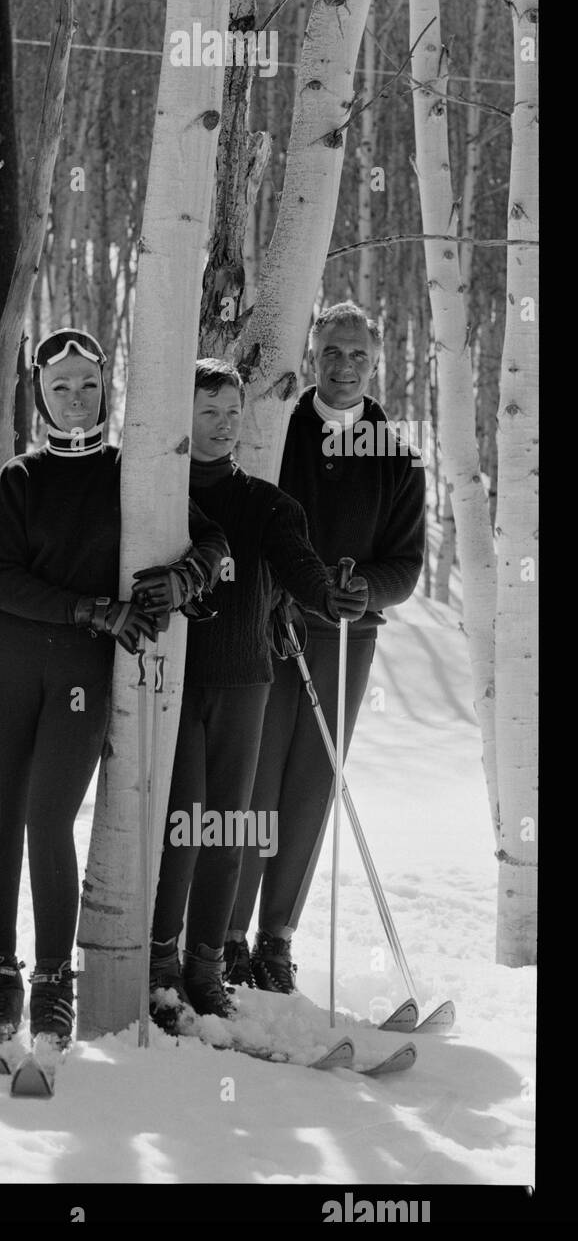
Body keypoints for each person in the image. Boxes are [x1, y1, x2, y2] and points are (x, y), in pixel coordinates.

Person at [0, 327, 229, 1048]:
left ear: (106, 387)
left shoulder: (131, 471)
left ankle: (52, 980)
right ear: (40, 397)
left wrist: (182, 580)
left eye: (87, 385)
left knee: (48, 821)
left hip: (81, 676)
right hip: (3, 665)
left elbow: (214, 543)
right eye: (59, 388)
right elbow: (3, 581)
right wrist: (91, 609)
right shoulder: (20, 476)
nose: (75, 401)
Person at [148, 360, 364, 1029]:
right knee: (182, 825)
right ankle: (158, 964)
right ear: (183, 416)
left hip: (245, 684)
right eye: (209, 412)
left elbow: (298, 565)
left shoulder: (268, 503)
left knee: (227, 831)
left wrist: (330, 593)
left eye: (232, 413)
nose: (223, 426)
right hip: (175, 683)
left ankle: (206, 965)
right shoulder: (155, 493)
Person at [226, 302, 425, 992]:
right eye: (331, 353)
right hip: (272, 627)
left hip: (347, 636)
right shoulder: (281, 431)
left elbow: (405, 563)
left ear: (375, 361)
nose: (344, 368)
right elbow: (252, 524)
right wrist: (276, 594)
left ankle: (276, 938)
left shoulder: (395, 453)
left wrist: (364, 591)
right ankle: (228, 936)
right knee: (257, 783)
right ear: (312, 357)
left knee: (311, 786)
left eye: (357, 356)